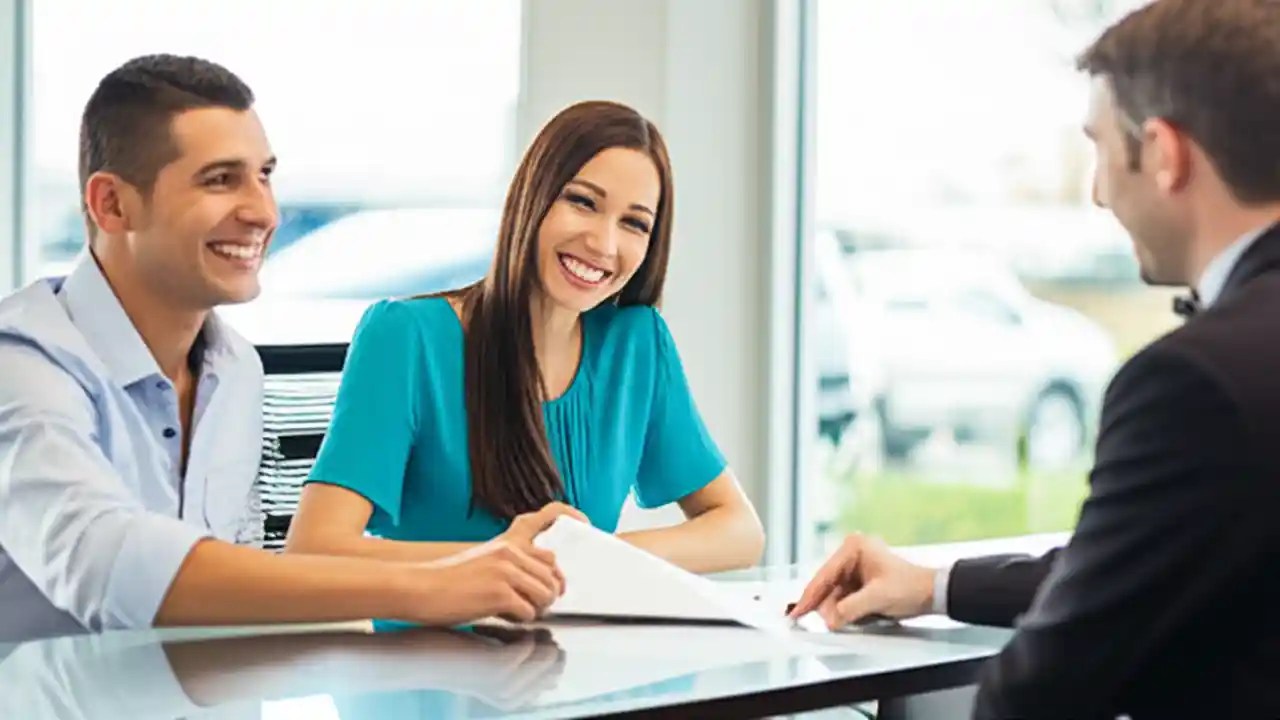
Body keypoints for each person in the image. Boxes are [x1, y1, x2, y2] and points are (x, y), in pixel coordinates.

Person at [790, 1, 1280, 717]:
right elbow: (1145, 554)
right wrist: (933, 584)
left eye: (1102, 148)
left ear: (1165, 154)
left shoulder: (1193, 384)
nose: (1097, 191)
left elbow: (1045, 689)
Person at [0, 54, 564, 642]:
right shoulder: (21, 364)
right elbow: (105, 562)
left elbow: (239, 590)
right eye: (220, 179)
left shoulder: (234, 367)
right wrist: (432, 588)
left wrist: (488, 560)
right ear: (112, 204)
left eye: (263, 175)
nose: (263, 212)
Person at [285, 101, 765, 574]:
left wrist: (593, 557)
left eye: (634, 223)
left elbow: (740, 531)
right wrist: (501, 559)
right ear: (533, 196)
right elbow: (316, 548)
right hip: (429, 648)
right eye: (582, 202)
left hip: (571, 648)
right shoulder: (407, 338)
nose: (603, 243)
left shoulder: (636, 345)